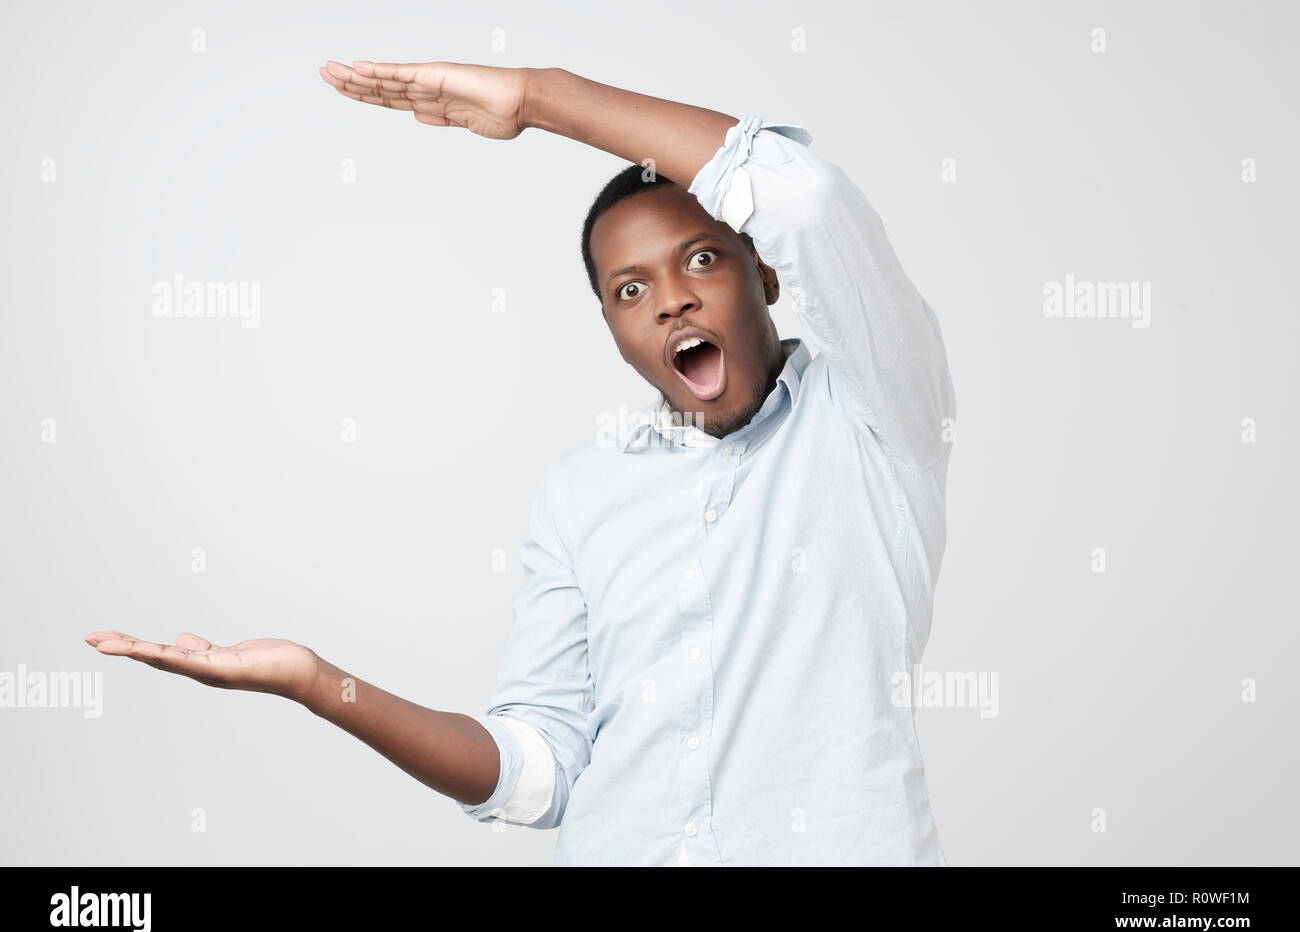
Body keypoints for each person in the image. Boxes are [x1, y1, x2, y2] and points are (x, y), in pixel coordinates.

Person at [87, 61, 957, 866]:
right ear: (612, 328)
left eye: (703, 258)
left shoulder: (876, 415)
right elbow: (539, 769)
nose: (673, 299)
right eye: (630, 289)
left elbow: (802, 200)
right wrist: (321, 686)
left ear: (763, 274)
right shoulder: (584, 493)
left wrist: (539, 98)